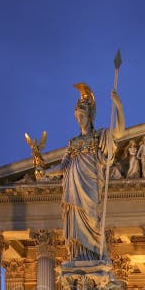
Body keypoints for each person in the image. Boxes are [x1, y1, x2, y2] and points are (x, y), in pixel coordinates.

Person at [47, 83, 124, 262]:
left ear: (89, 117)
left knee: (93, 222)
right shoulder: (72, 143)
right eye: (77, 116)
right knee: (75, 229)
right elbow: (63, 166)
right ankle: (79, 256)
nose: (80, 119)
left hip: (90, 189)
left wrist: (118, 106)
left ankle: (93, 256)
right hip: (73, 193)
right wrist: (46, 172)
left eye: (82, 115)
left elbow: (119, 133)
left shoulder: (99, 137)